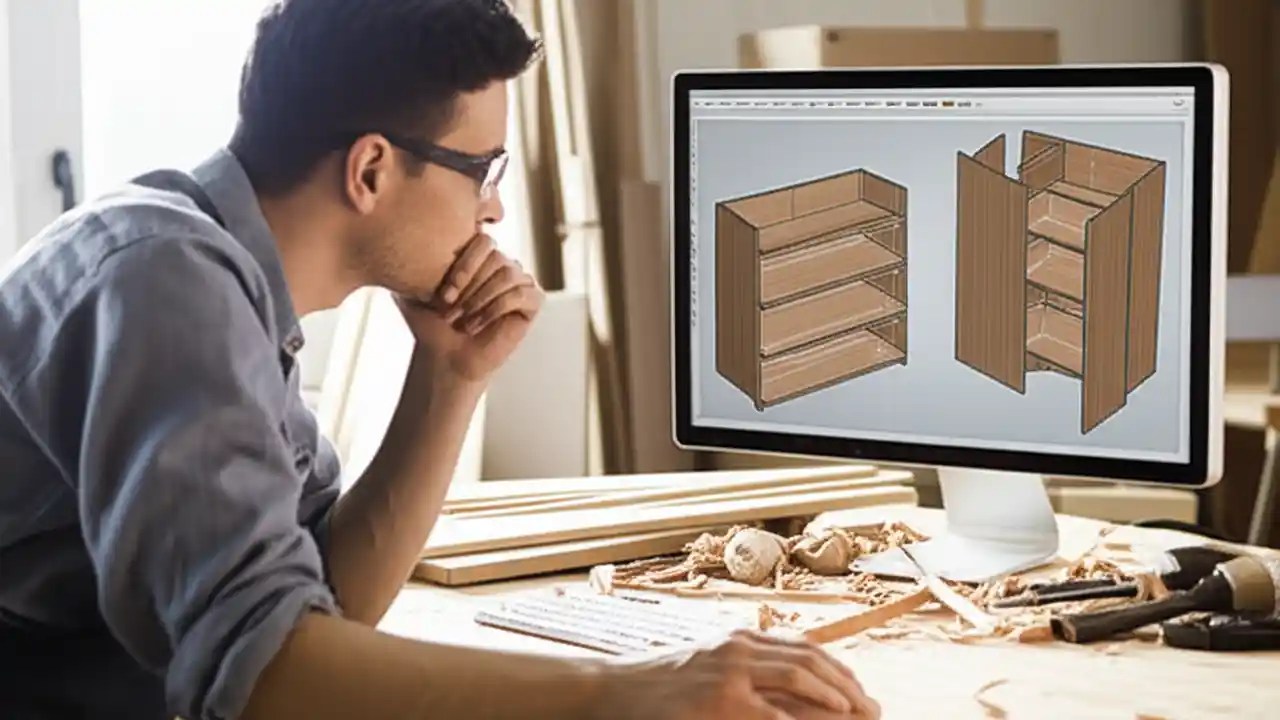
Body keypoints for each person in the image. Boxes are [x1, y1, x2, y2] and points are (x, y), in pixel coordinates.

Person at [0, 1, 880, 719]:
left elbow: (327, 613)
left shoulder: (231, 288)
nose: (492, 211)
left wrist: (451, 379)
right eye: (482, 168)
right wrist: (627, 691)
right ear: (371, 171)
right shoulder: (165, 276)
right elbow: (266, 675)